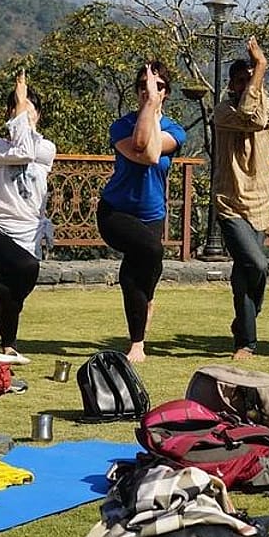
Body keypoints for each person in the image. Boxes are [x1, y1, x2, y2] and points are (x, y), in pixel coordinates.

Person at [97, 61, 186, 363]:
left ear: (167, 93)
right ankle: (137, 344)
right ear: (137, 91)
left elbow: (151, 152)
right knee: (148, 253)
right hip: (115, 212)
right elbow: (143, 150)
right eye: (146, 86)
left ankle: (140, 321)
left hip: (152, 215)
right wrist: (149, 104)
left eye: (159, 87)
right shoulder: (120, 126)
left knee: (144, 273)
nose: (151, 91)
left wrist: (151, 107)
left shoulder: (176, 130)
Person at [0, 71, 57, 366]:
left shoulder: (46, 149)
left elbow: (28, 150)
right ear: (9, 115)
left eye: (29, 110)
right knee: (26, 267)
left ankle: (8, 347)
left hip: (28, 233)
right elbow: (21, 150)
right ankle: (8, 344)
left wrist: (22, 105)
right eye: (18, 110)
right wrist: (20, 103)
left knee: (11, 288)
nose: (23, 115)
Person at [213, 37, 269, 361]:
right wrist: (261, 66)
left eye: (250, 79)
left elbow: (257, 115)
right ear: (231, 85)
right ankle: (247, 340)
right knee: (257, 263)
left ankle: (244, 330)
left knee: (247, 271)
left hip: (259, 201)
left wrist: (259, 73)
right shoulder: (222, 111)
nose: (245, 86)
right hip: (229, 201)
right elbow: (246, 117)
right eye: (240, 81)